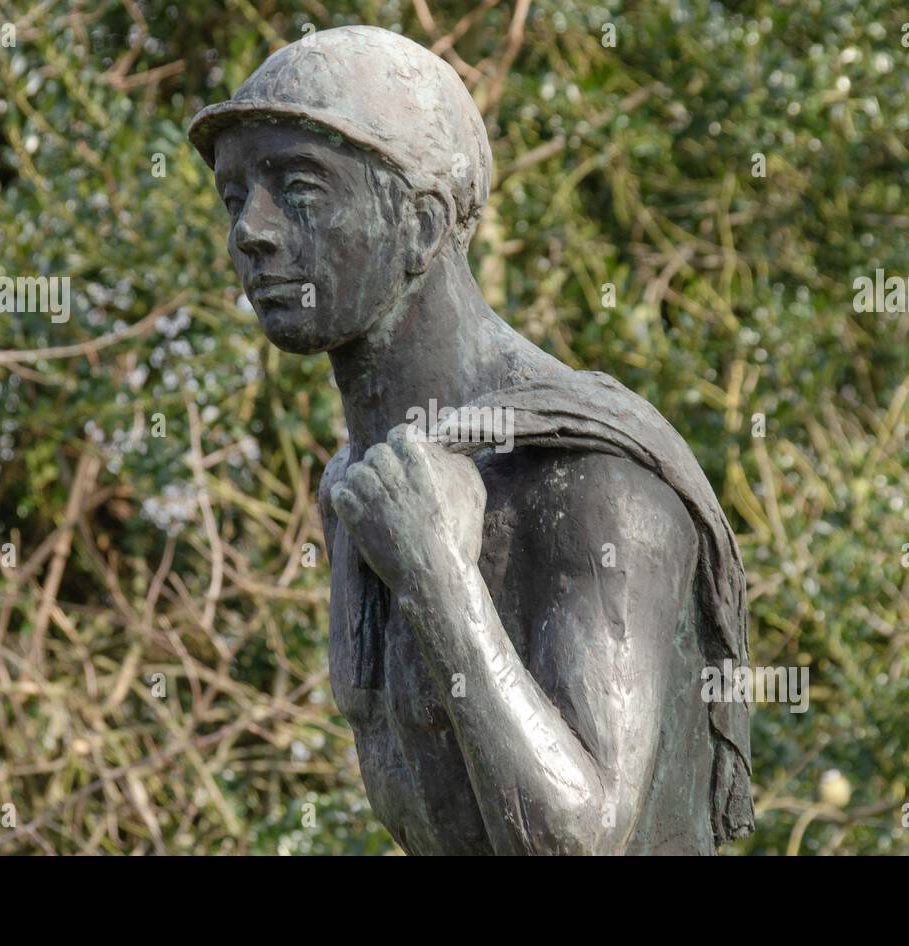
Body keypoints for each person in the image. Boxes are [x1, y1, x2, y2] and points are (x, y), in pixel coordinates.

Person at [189, 25, 752, 854]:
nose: (251, 232)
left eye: (299, 188)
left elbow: (581, 842)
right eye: (236, 195)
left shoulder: (592, 483)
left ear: (420, 227)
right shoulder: (355, 486)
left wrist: (441, 578)